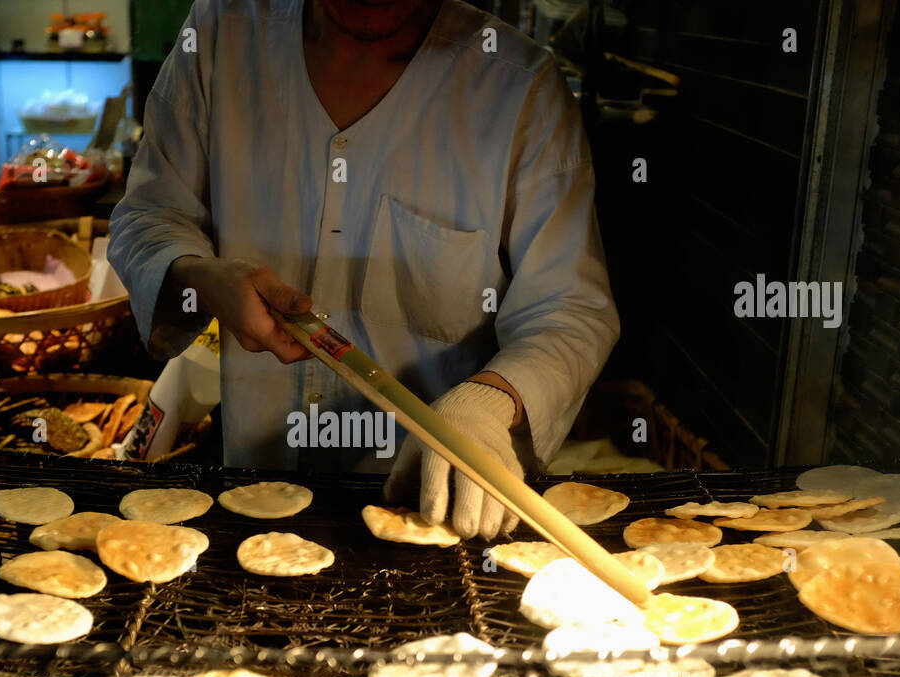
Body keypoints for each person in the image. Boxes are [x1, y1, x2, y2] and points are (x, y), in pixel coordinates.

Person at [110, 0, 618, 540]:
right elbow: (150, 212)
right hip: (252, 499)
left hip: (432, 512)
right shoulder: (219, 37)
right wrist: (199, 275)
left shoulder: (520, 90)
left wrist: (490, 402)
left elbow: (569, 308)